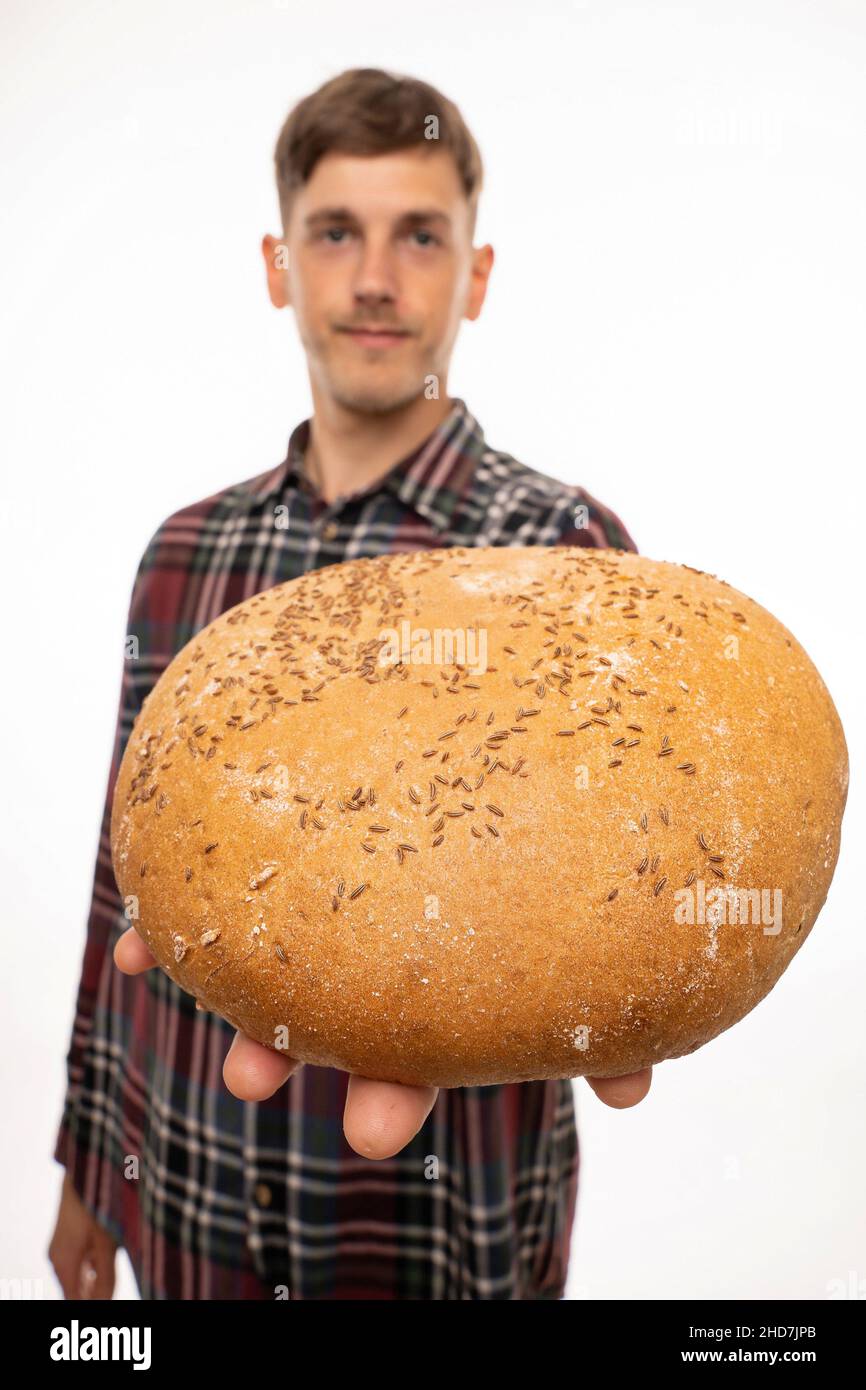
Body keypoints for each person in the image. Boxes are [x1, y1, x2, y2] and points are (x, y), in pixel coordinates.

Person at [49, 67, 650, 1302]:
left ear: (474, 276)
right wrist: (84, 1163)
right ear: (281, 266)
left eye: (418, 235)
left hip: (441, 1241)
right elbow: (127, 895)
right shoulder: (185, 556)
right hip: (189, 1208)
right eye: (336, 233)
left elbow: (623, 893)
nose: (375, 278)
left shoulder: (564, 557)